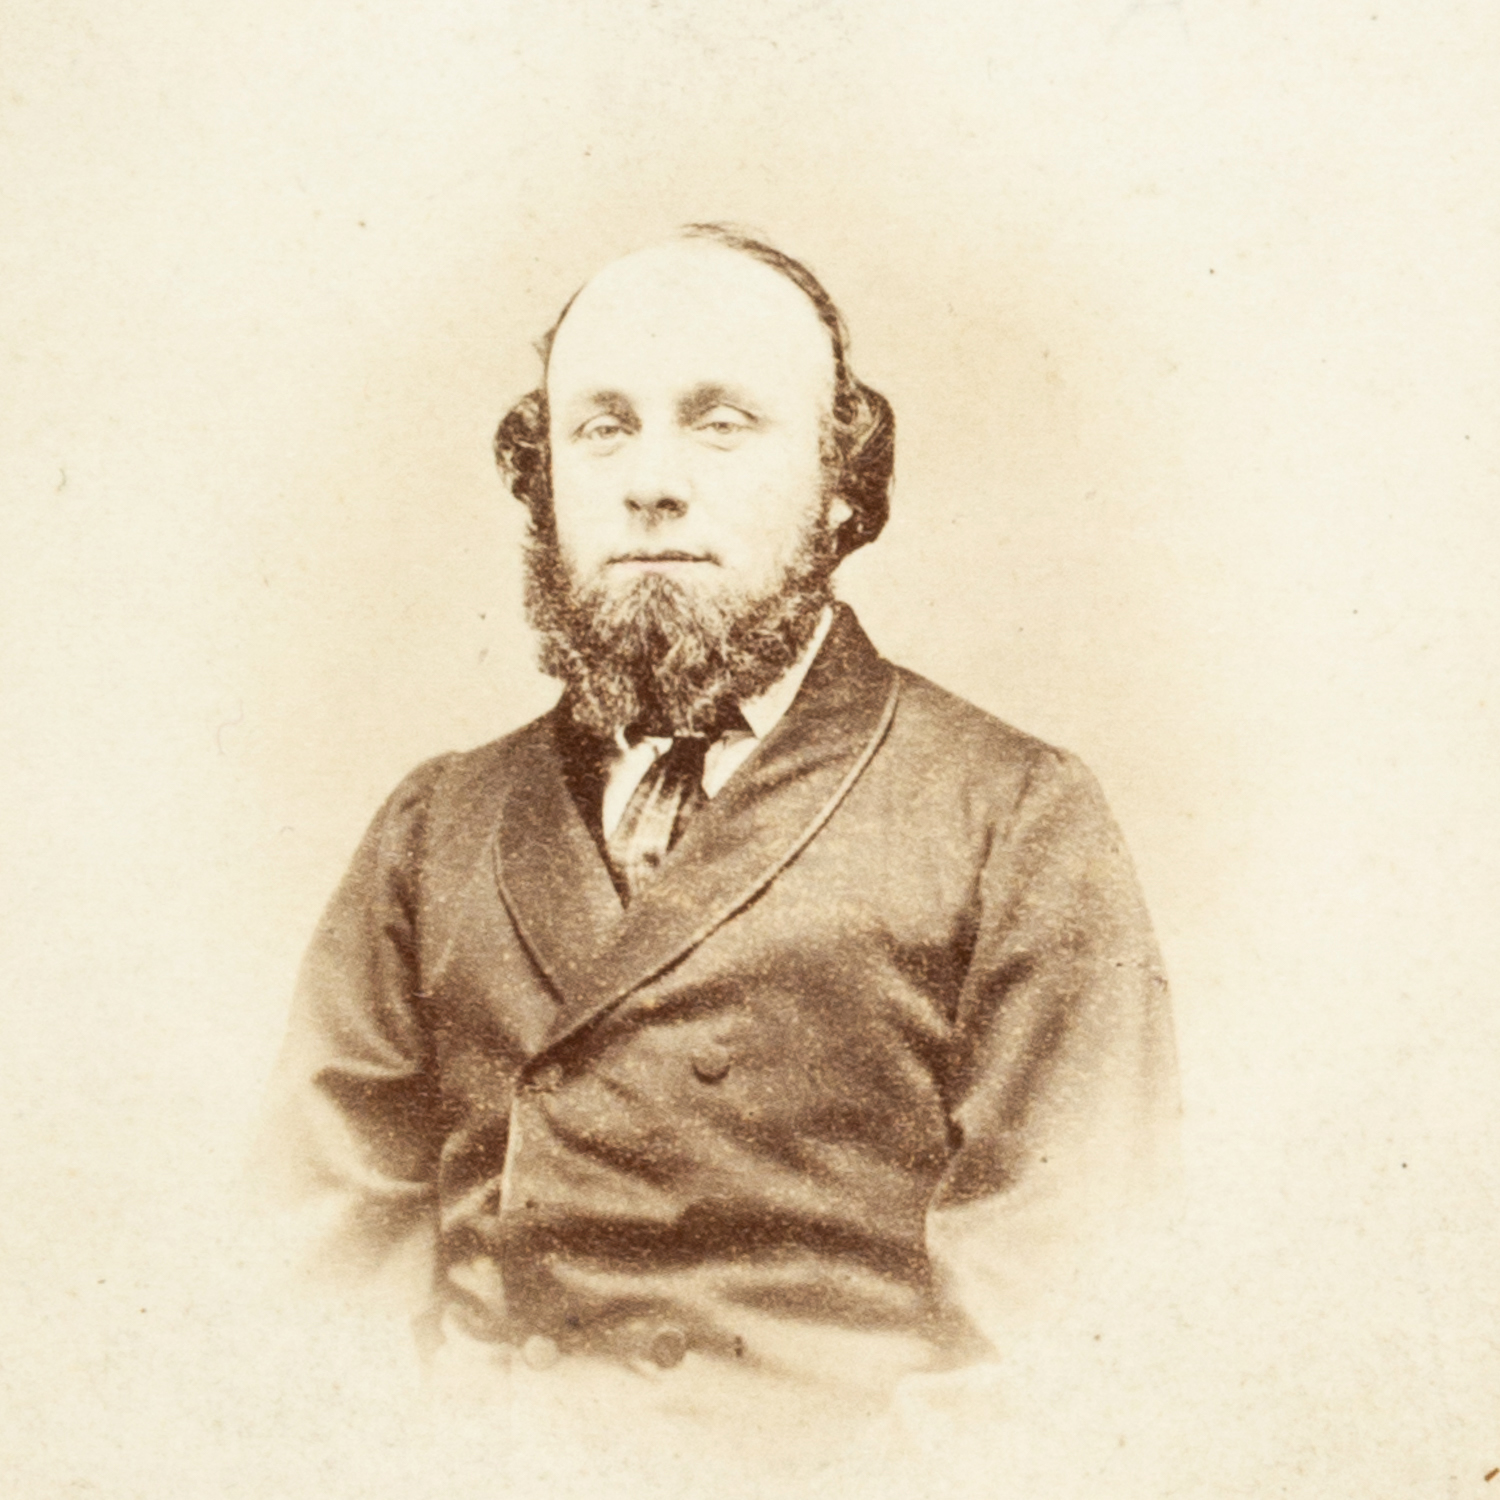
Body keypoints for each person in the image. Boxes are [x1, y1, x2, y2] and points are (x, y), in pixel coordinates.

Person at [259, 223, 1177, 1488]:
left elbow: (1064, 1332)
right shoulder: (435, 826)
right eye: (603, 427)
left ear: (841, 483)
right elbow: (310, 1281)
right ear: (543, 483)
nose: (652, 480)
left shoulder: (1014, 816)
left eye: (721, 422)